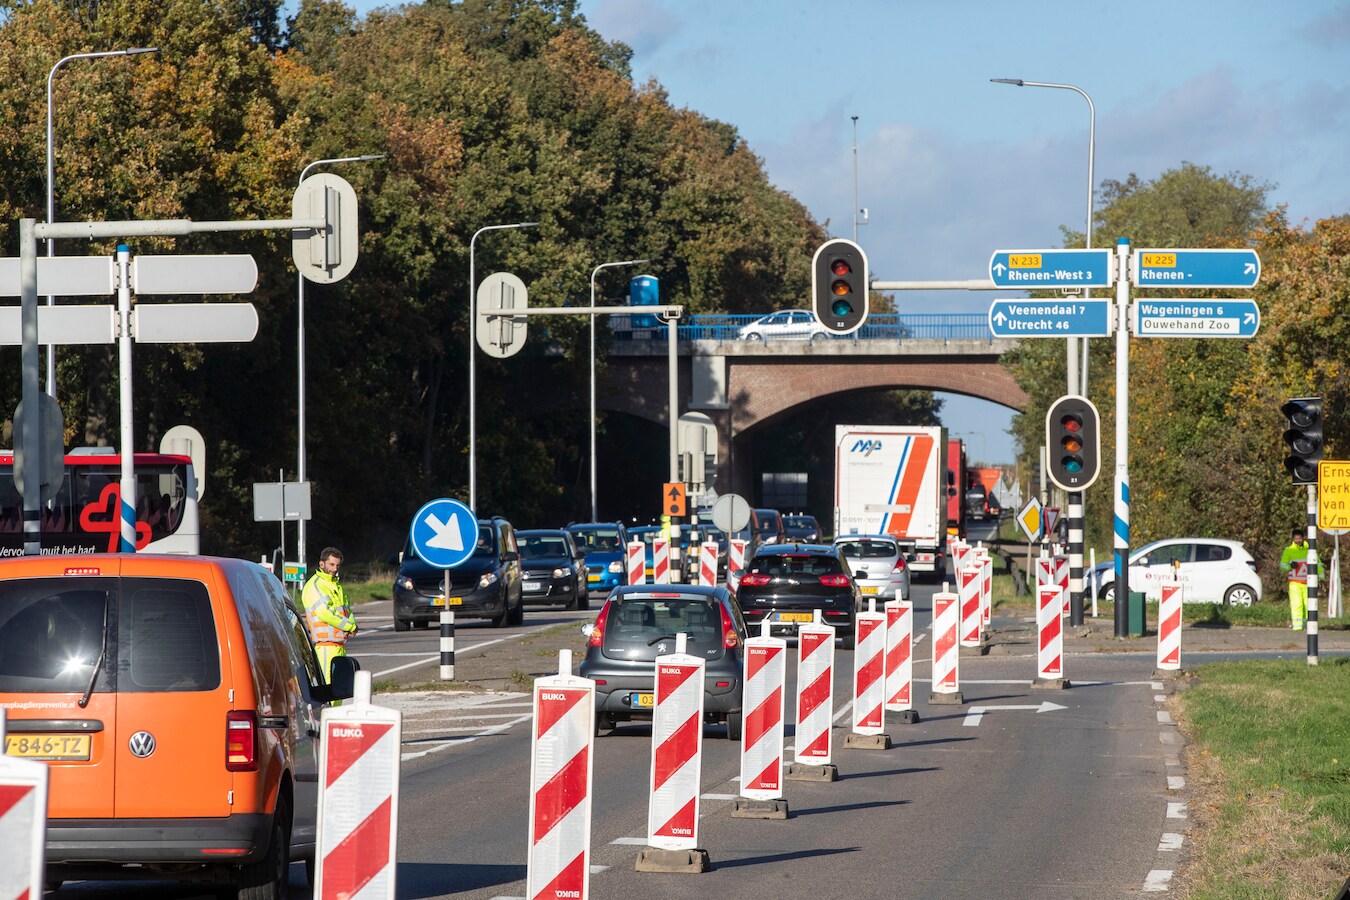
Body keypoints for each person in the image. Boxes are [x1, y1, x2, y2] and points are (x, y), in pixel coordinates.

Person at [302, 546, 357, 683]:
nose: (335, 569)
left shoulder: (335, 585)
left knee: (339, 691)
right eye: (331, 564)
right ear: (322, 564)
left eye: (338, 565)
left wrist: (353, 626)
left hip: (339, 645)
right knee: (329, 690)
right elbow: (325, 613)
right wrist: (350, 626)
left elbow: (346, 609)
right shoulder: (315, 585)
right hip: (325, 647)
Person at [1278, 528, 1323, 631]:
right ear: (1293, 539)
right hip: (1294, 583)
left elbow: (1319, 565)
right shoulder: (1289, 550)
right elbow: (1282, 565)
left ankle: (1310, 626)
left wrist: (1321, 578)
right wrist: (1290, 566)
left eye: (1299, 538)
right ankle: (1297, 627)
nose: (1297, 540)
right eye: (1296, 538)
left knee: (1309, 604)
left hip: (1309, 582)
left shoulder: (1310, 550)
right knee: (1296, 605)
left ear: (1303, 538)